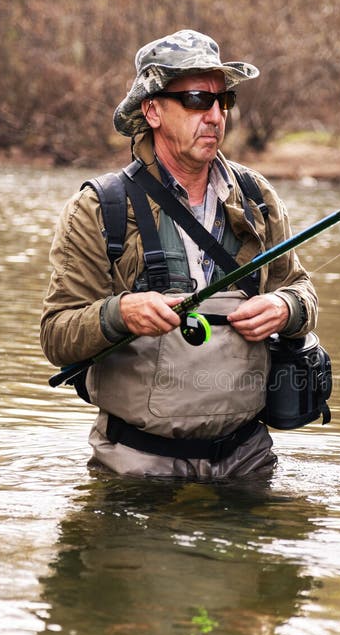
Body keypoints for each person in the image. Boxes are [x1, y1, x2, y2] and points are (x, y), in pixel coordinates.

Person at [41, 29, 318, 479]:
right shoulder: (98, 207)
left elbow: (301, 290)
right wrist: (121, 314)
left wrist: (286, 307)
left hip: (246, 462)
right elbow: (56, 335)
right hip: (137, 464)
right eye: (195, 100)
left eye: (221, 100)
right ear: (152, 110)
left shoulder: (258, 197)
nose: (213, 116)